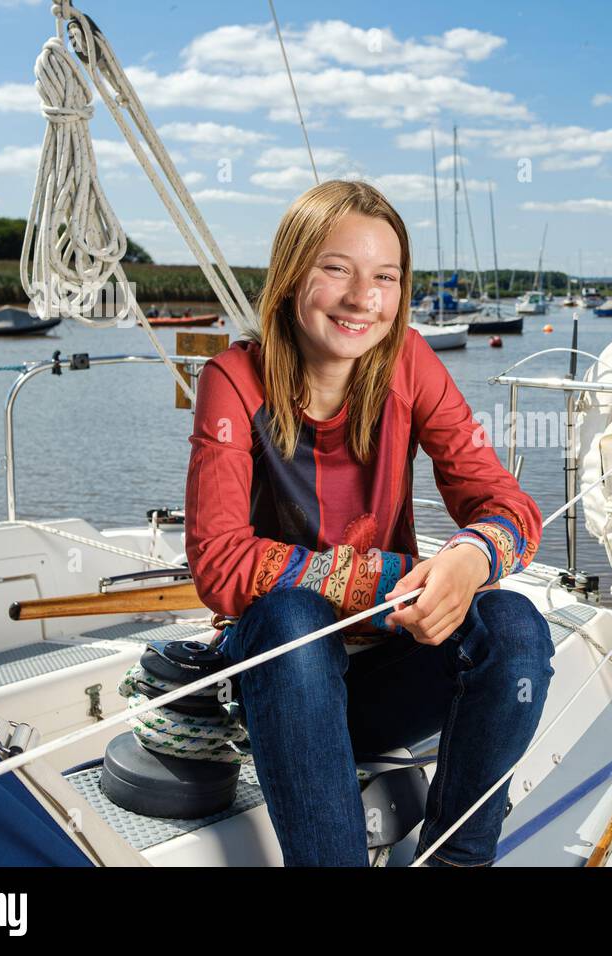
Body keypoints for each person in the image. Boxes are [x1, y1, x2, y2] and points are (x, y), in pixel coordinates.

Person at [184, 180, 554, 867]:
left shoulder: (410, 362)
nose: (363, 298)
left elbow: (510, 509)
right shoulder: (233, 379)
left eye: (385, 277)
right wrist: (395, 581)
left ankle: (454, 860)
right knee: (294, 619)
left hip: (384, 680)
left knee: (517, 629)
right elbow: (219, 565)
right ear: (292, 274)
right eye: (336, 269)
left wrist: (470, 560)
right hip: (281, 680)